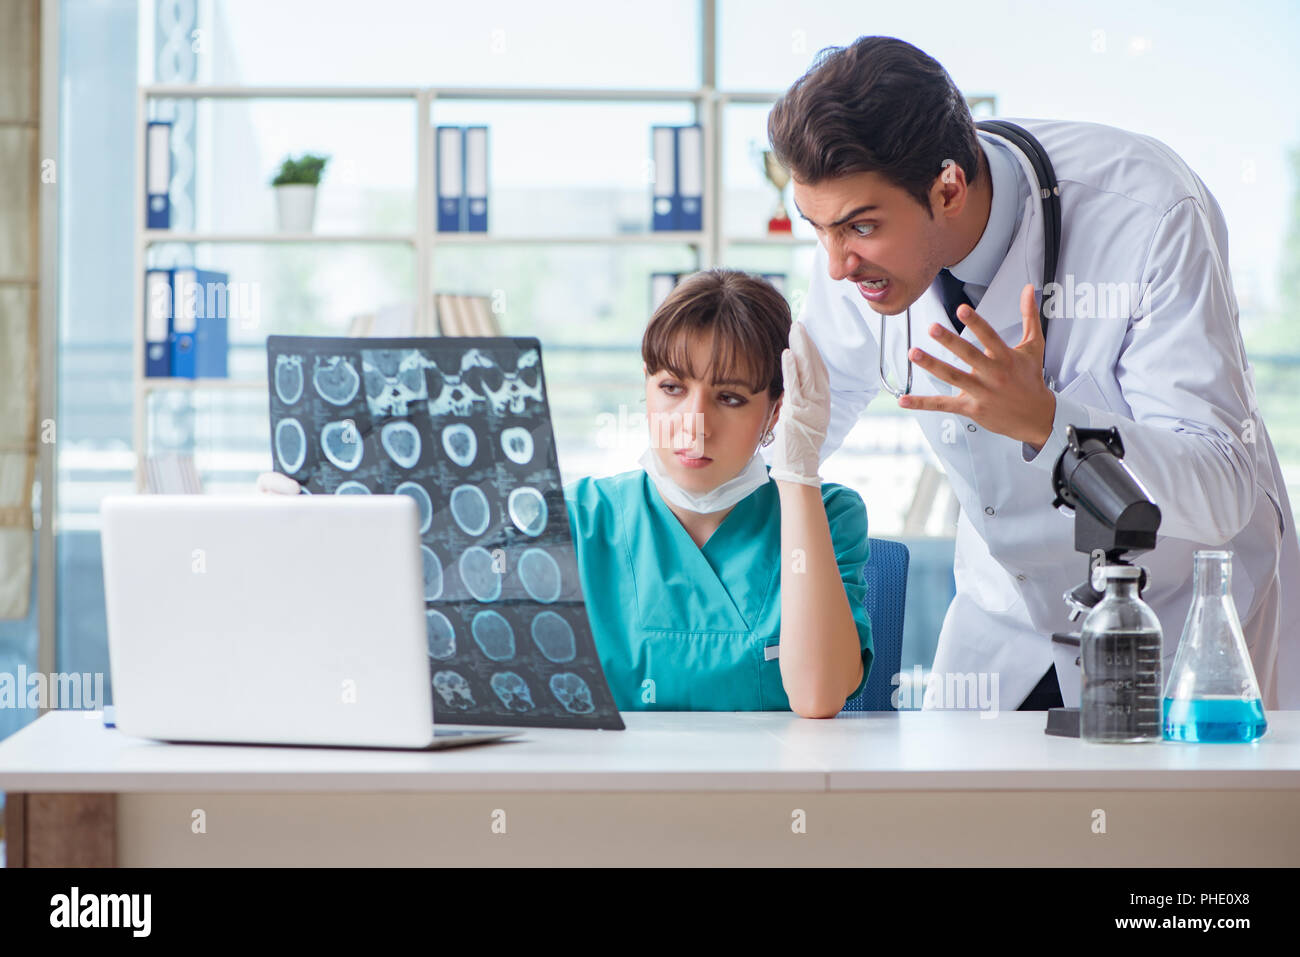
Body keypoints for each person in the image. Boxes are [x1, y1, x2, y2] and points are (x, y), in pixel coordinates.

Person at [765, 35, 1300, 711]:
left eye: (858, 229)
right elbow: (800, 427)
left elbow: (1224, 487)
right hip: (1005, 618)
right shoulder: (853, 246)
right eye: (819, 230)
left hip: (1174, 616)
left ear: (949, 186)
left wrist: (1051, 424)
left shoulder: (1149, 213)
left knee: (1158, 814)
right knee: (954, 815)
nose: (837, 265)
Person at [260, 269, 874, 717]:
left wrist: (798, 473)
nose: (693, 424)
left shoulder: (825, 516)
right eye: (670, 388)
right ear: (644, 388)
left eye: (731, 398)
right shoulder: (574, 519)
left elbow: (818, 696)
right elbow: (431, 636)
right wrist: (322, 539)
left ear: (777, 410)